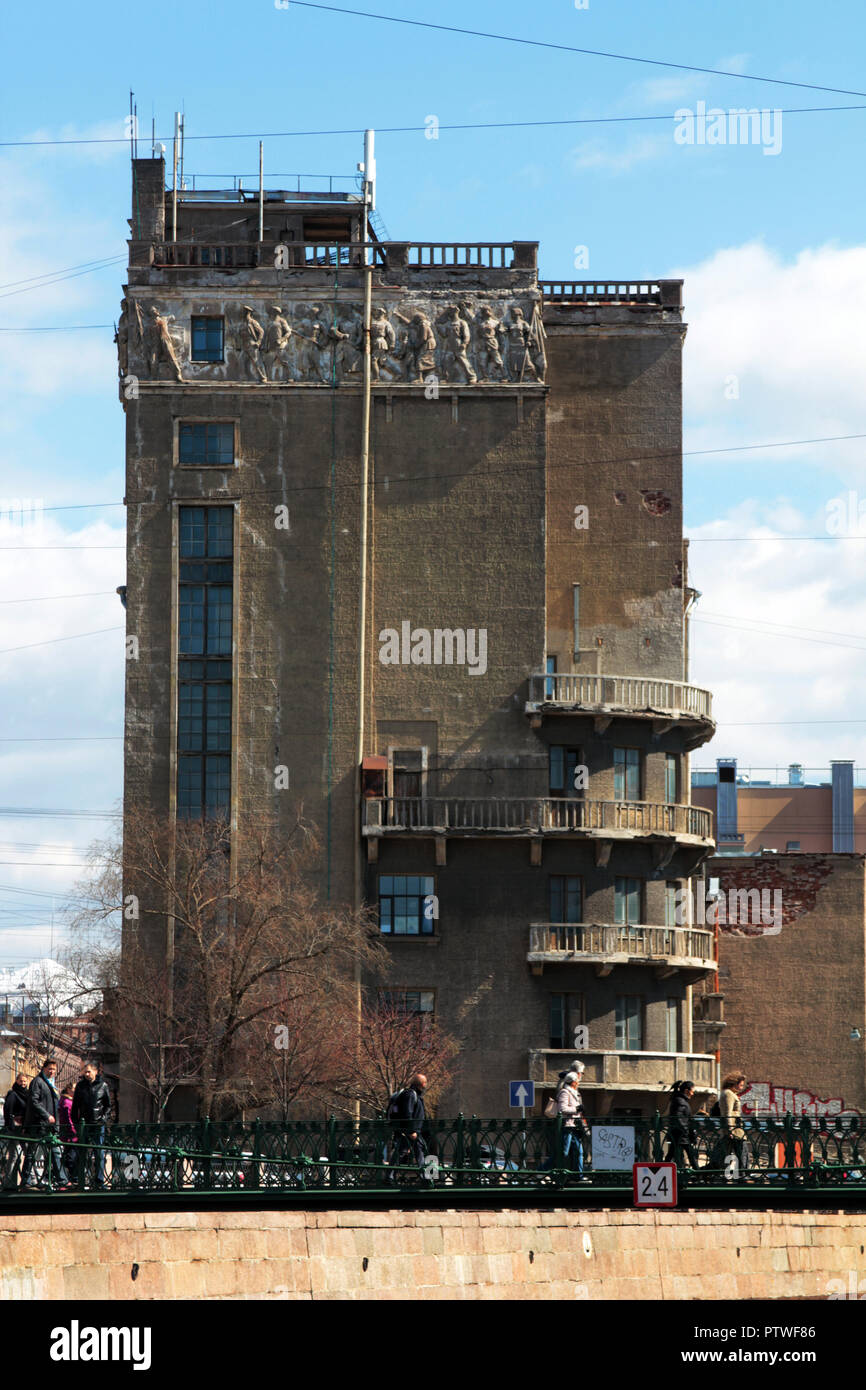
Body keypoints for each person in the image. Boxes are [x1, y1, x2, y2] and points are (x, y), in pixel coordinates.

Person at [21, 1059, 70, 1190]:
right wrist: (46, 1115)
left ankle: (61, 1180)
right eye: (50, 1069)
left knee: (54, 1151)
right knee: (32, 1153)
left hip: (49, 1126)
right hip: (39, 1124)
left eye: (54, 1069)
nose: (52, 1071)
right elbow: (34, 1101)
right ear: (44, 1068)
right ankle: (26, 1179)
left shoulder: (50, 1084)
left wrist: (55, 1122)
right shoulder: (38, 1082)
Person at [72, 1062, 114, 1190]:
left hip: (97, 1124)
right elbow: (75, 1107)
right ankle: (81, 1179)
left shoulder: (103, 1085)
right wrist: (76, 1122)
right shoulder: (80, 1086)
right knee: (82, 1152)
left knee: (99, 1152)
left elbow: (108, 1106)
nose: (87, 1074)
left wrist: (103, 1119)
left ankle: (99, 1180)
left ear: (96, 1072)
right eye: (85, 1072)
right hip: (84, 1124)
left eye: (89, 1071)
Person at [388, 1073, 428, 1177]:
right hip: (410, 1131)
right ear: (423, 1084)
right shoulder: (411, 1094)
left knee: (415, 1152)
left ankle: (390, 1176)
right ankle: (389, 1176)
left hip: (412, 1131)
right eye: (425, 1083)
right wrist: (411, 1131)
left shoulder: (413, 1094)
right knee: (404, 1151)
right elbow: (407, 1113)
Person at [556, 1064, 588, 1175]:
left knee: (579, 1152)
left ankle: (579, 1175)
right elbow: (562, 1108)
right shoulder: (565, 1092)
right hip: (567, 1126)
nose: (579, 1081)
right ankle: (544, 1170)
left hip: (575, 1126)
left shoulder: (575, 1092)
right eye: (581, 1074)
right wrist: (577, 1108)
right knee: (564, 1152)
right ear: (573, 1082)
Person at [719, 1070, 749, 1177]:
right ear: (734, 1084)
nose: (741, 1088)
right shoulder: (728, 1094)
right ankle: (743, 1176)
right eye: (740, 1085)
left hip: (732, 1130)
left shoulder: (728, 1093)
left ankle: (734, 1175)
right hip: (735, 1131)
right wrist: (730, 1129)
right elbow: (728, 1113)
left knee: (727, 1154)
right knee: (743, 1153)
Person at [2, 1073, 30, 1190]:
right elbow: (8, 1111)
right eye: (21, 1081)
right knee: (14, 1155)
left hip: (25, 1128)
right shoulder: (13, 1094)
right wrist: (12, 1126)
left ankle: (25, 1181)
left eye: (25, 1081)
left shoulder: (27, 1094)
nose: (23, 1083)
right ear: (17, 1081)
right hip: (16, 1129)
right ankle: (8, 1182)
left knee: (27, 1154)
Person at [666, 1079, 700, 1171]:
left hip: (680, 1135)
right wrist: (685, 1130)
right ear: (686, 1091)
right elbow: (679, 1118)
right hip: (681, 1135)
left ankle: (697, 1175)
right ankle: (699, 1175)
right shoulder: (680, 1101)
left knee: (672, 1156)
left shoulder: (680, 1101)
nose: (693, 1094)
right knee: (690, 1156)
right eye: (692, 1091)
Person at [58, 1083, 78, 1183]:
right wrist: (74, 1130)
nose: (76, 1091)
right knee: (71, 1155)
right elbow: (68, 1118)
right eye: (74, 1089)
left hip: (68, 1132)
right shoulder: (67, 1102)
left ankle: (69, 1176)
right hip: (70, 1134)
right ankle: (73, 1177)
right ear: (68, 1089)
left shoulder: (66, 1101)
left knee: (69, 1154)